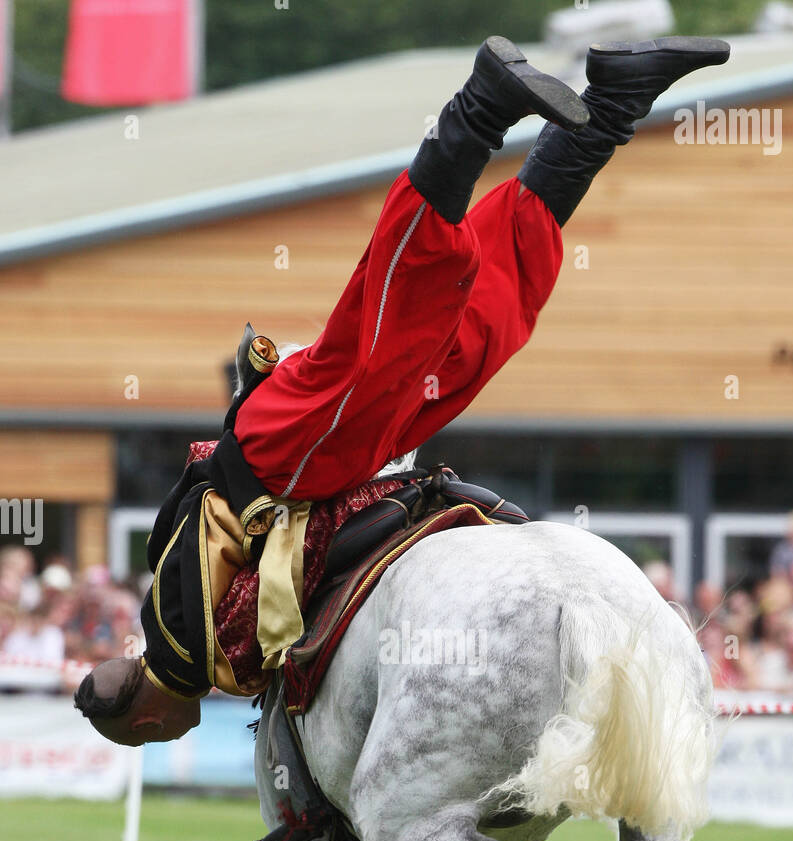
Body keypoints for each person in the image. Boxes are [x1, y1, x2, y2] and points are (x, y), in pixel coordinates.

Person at [74, 34, 730, 746]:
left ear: (143, 719)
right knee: (485, 321)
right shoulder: (172, 635)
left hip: (284, 458)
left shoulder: (180, 650)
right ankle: (613, 101)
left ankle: (479, 108)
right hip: (313, 463)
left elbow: (271, 604)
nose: (167, 736)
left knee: (393, 318)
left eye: (150, 737)